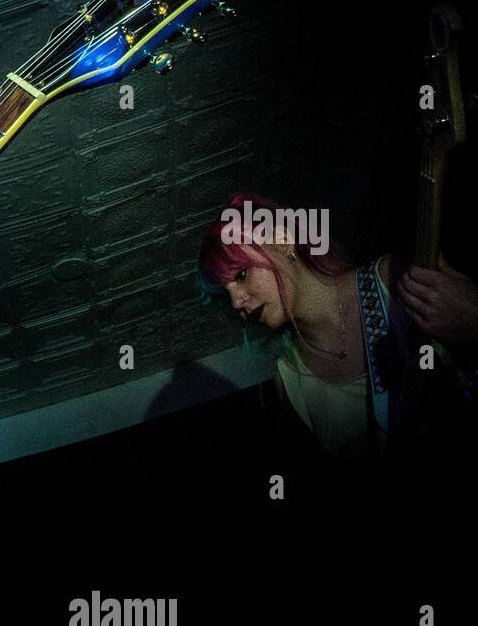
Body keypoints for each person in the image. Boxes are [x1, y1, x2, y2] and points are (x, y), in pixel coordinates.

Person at [199, 193, 478, 460]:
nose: (236, 302)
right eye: (227, 294)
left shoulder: (393, 279)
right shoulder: (289, 381)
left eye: (242, 275)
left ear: (282, 240)